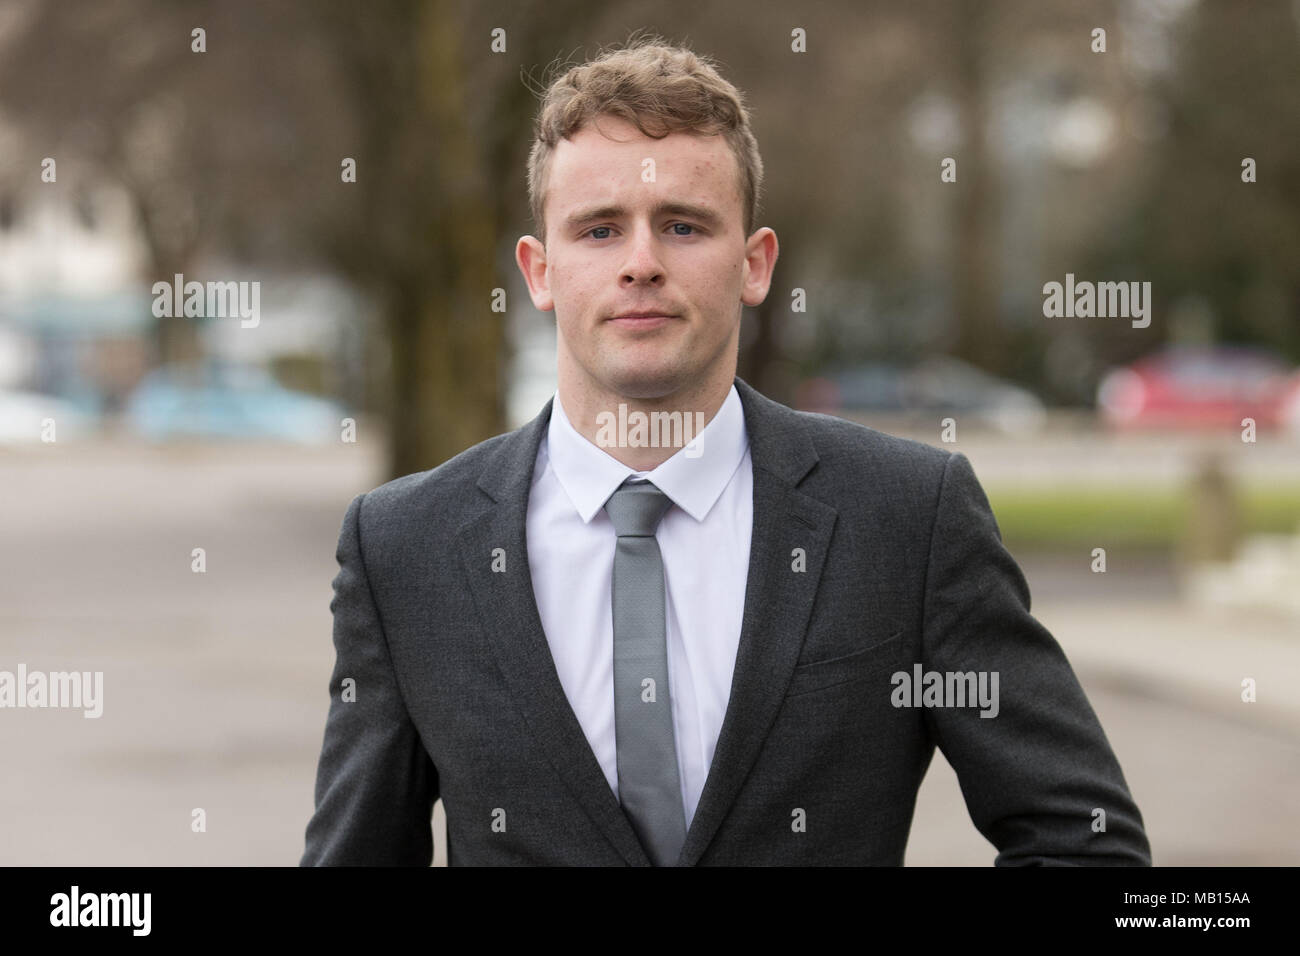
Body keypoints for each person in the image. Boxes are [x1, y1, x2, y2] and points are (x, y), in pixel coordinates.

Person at [300, 37, 1150, 866]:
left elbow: (1086, 840)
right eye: (599, 230)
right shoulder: (405, 547)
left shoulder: (906, 519)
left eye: (682, 225)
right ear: (538, 269)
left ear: (755, 264)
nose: (641, 263)